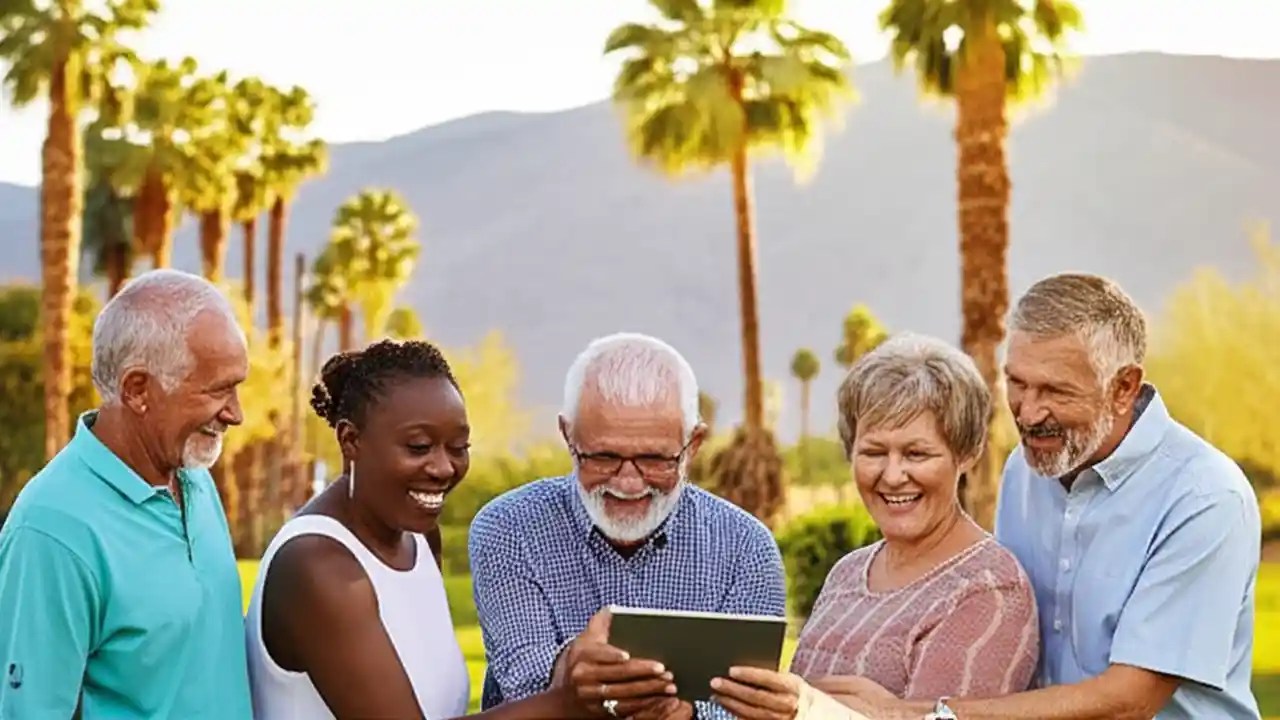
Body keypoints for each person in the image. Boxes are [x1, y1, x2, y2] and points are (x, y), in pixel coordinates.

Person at [833, 273, 1263, 719]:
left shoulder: (1205, 498)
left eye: (1055, 391)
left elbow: (1129, 702)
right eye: (1017, 384)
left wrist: (910, 714)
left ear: (1123, 387)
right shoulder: (1026, 468)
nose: (1030, 413)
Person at [245, 338, 615, 719]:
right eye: (419, 447)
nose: (444, 468)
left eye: (458, 446)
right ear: (350, 440)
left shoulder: (418, 537)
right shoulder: (317, 567)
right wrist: (567, 701)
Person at [708, 333, 1038, 718]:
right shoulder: (847, 572)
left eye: (917, 453)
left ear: (965, 455)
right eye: (874, 452)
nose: (893, 475)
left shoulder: (990, 590)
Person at [468, 332, 788, 719]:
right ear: (568, 435)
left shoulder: (745, 547)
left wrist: (688, 715)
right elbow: (524, 680)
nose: (628, 482)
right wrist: (572, 669)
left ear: (695, 443)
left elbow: (751, 705)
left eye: (655, 459)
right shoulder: (509, 528)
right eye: (603, 457)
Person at [0, 269, 253, 718]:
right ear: (138, 390)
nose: (235, 413)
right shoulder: (51, 530)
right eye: (219, 390)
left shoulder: (193, 474)